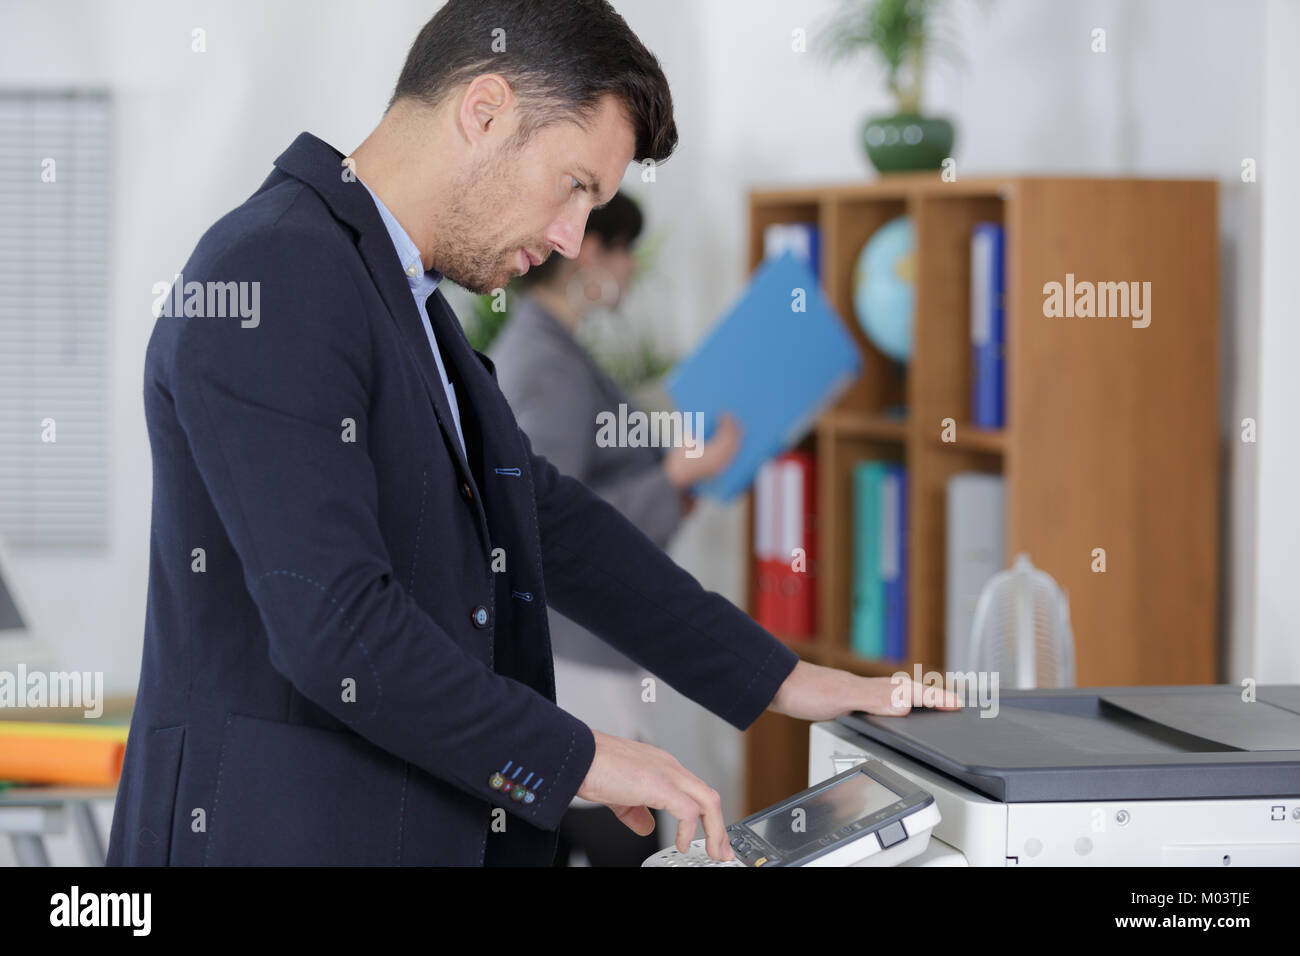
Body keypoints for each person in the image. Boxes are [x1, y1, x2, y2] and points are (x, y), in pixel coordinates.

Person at [108, 0, 957, 868]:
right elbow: (334, 622)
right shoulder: (277, 269)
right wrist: (584, 756)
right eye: (576, 186)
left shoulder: (407, 301)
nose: (569, 240)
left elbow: (548, 518)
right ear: (485, 111)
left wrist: (784, 680)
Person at [490, 191, 741, 865]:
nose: (632, 268)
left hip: (584, 643)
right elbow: (549, 521)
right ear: (589, 252)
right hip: (576, 647)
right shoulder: (545, 361)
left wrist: (675, 485)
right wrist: (676, 478)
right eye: (625, 249)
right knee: (620, 831)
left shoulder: (553, 348)